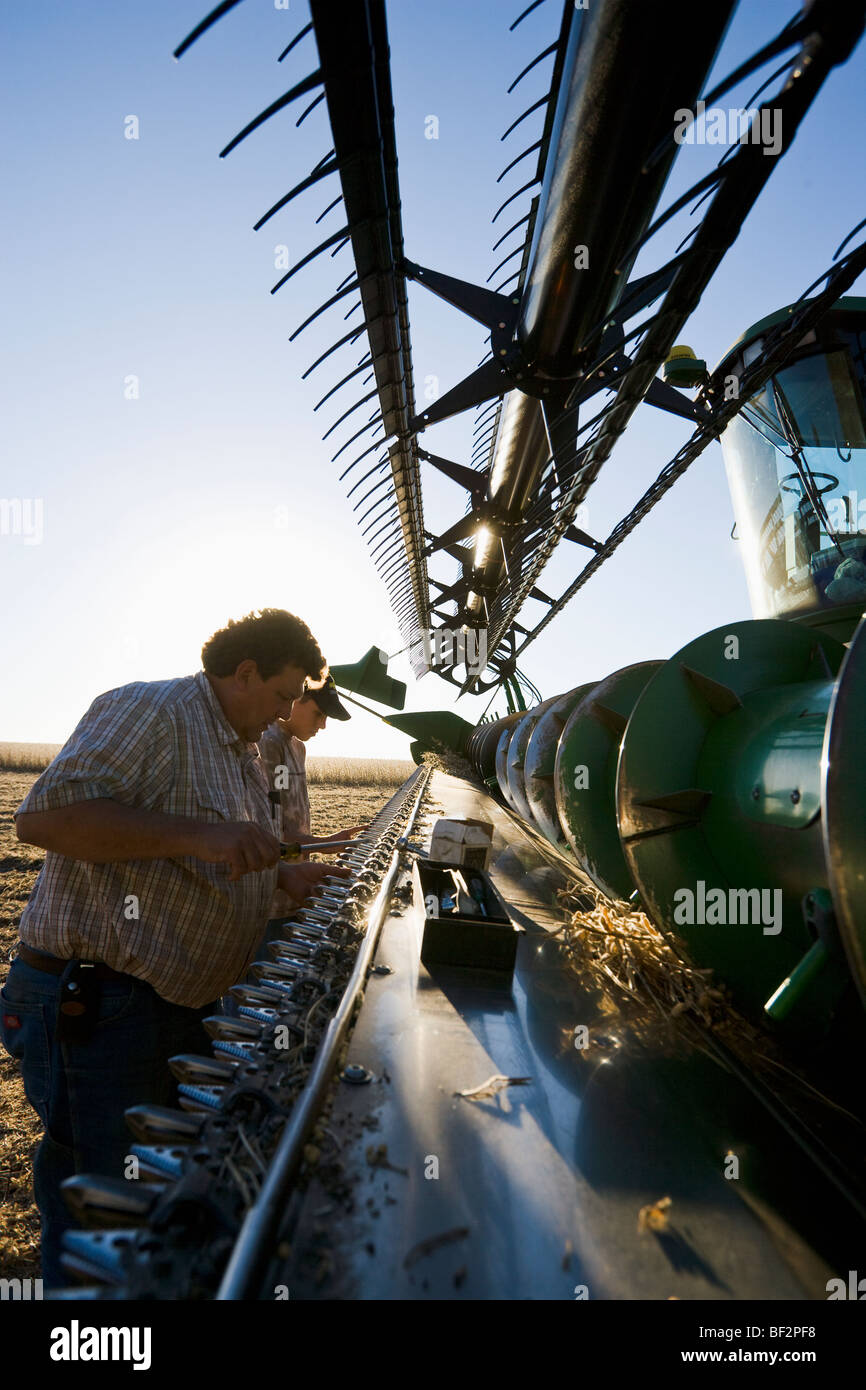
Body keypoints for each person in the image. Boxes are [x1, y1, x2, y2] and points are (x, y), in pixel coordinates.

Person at [0, 608, 346, 1285]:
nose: (286, 712)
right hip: (99, 1007)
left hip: (167, 1009)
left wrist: (284, 877)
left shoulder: (242, 750)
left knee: (151, 1197)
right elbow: (44, 819)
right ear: (244, 672)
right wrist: (197, 834)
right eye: (282, 694)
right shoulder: (151, 711)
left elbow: (224, 857)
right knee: (103, 1208)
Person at [258, 674, 367, 920]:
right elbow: (274, 831)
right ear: (297, 699)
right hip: (274, 896)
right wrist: (324, 843)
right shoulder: (269, 744)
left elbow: (285, 808)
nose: (323, 725)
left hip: (296, 888)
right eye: (319, 714)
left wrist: (321, 843)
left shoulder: (297, 747)